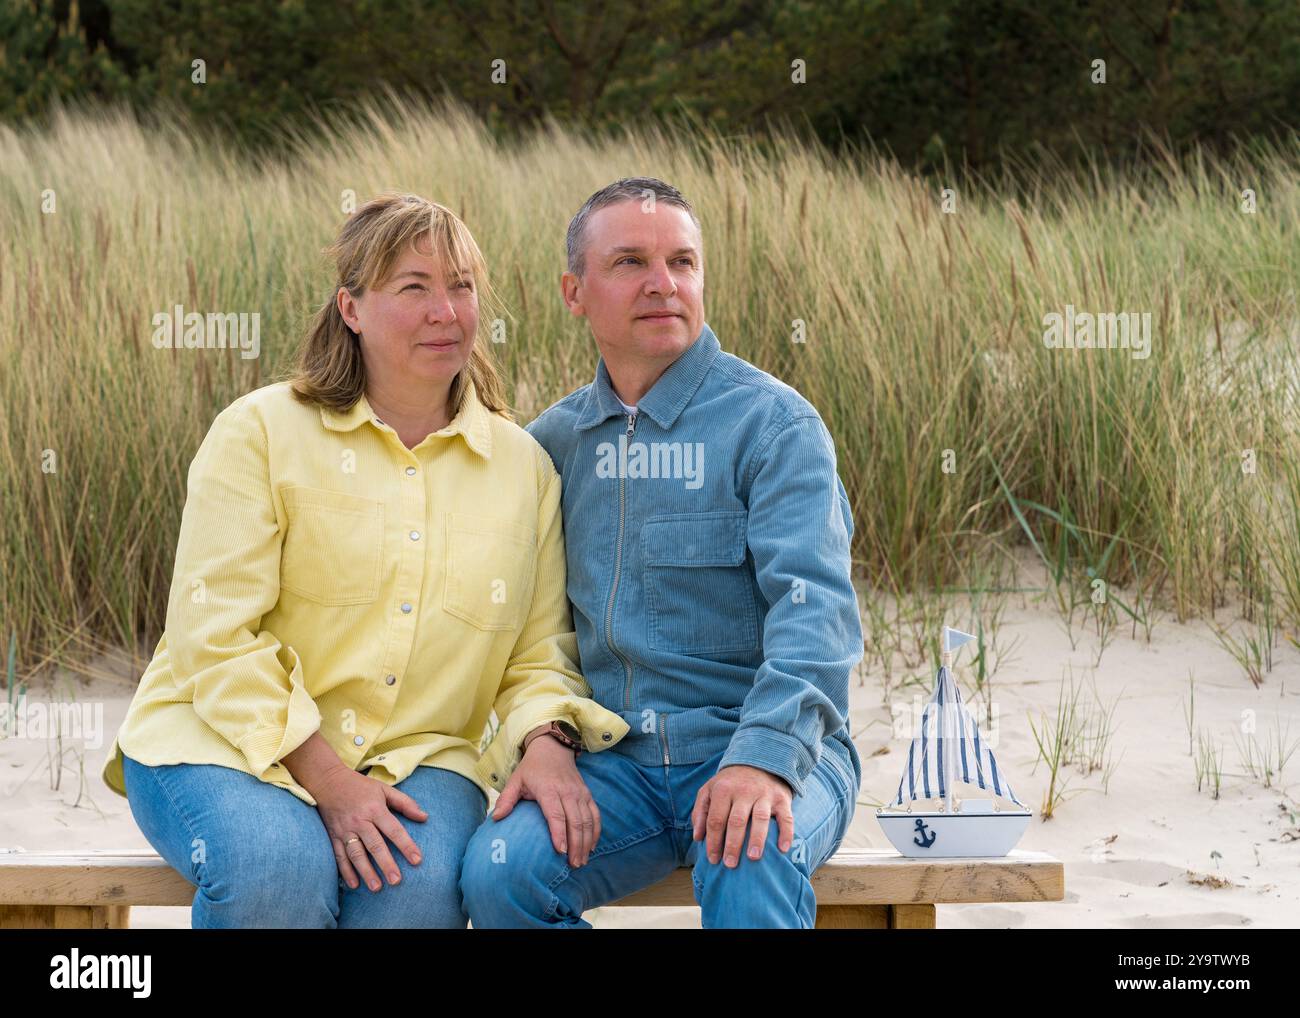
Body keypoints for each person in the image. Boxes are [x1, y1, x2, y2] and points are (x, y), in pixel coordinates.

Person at [100, 192, 628, 928]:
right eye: (414, 288)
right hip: (221, 740)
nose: (446, 312)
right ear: (351, 308)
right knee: (276, 875)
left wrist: (545, 739)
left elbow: (538, 657)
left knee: (413, 895)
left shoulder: (524, 469)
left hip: (420, 758)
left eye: (462, 287)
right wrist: (331, 781)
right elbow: (211, 635)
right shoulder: (260, 432)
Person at [459, 177, 862, 928]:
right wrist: (543, 740)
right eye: (631, 264)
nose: (663, 285)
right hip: (620, 769)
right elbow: (527, 637)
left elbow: (819, 619)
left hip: (770, 747)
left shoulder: (774, 427)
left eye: (682, 262)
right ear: (574, 292)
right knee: (498, 874)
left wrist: (761, 758)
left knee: (749, 855)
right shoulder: (552, 446)